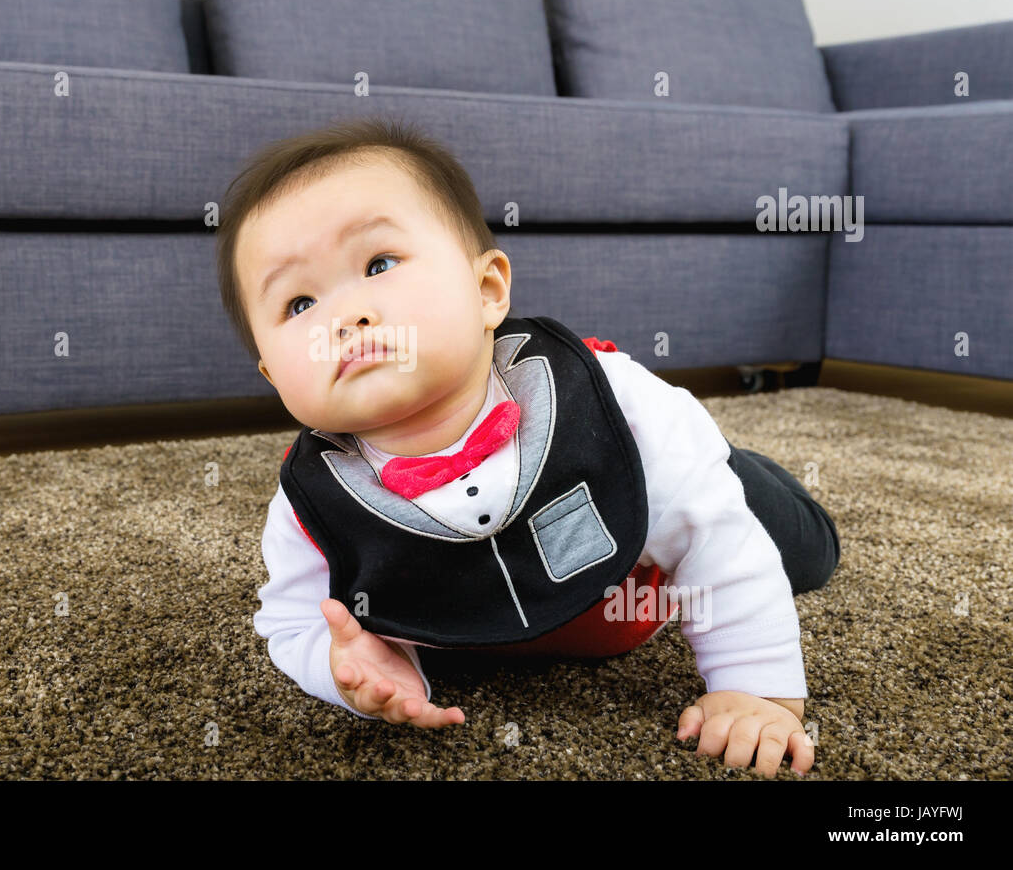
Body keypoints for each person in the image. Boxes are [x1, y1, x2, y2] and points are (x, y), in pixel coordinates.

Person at [214, 116, 841, 777]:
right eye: (299, 303)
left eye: (379, 264)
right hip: (510, 612)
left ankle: (740, 469)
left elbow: (719, 538)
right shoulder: (315, 500)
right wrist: (344, 669)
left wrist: (754, 690)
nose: (346, 316)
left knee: (787, 545)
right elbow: (292, 618)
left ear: (487, 292)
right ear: (272, 373)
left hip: (649, 543)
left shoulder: (613, 403)